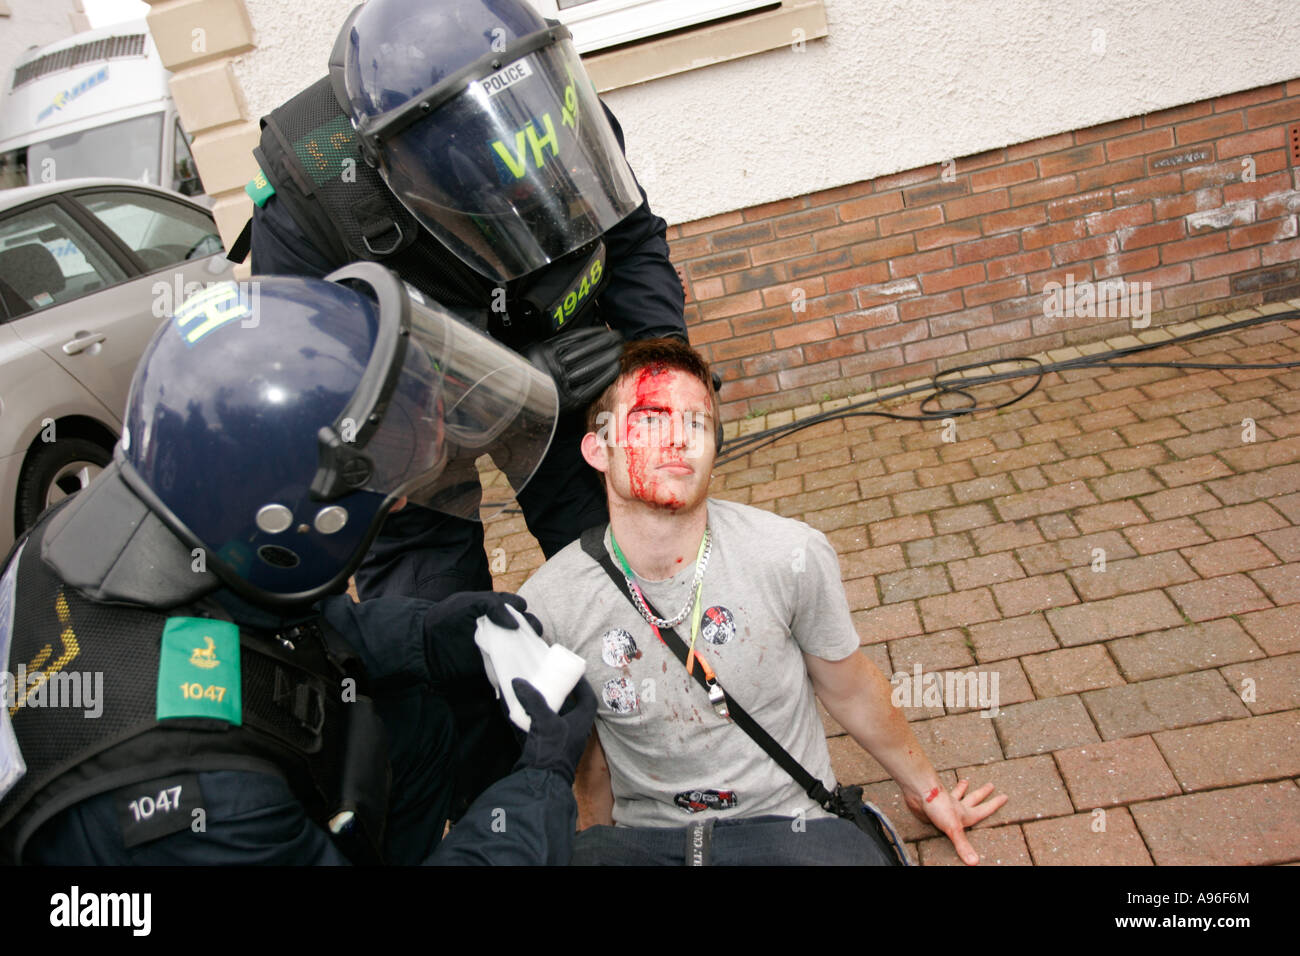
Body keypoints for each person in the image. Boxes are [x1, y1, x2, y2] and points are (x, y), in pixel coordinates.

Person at [245, 0, 688, 809]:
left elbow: (630, 237)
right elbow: (325, 386)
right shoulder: (310, 203)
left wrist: (660, 362)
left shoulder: (550, 108)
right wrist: (513, 379)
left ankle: (662, 748)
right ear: (395, 160)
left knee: (624, 568)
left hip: (556, 377)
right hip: (410, 428)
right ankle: (502, 813)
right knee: (440, 634)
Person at [0, 268, 594, 865]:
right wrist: (539, 783)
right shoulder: (206, 802)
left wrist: (429, 633)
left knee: (414, 716)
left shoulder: (113, 522)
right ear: (280, 522)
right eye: (386, 486)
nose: (405, 500)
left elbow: (278, 625)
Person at [518, 338, 1008, 865]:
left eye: (698, 424)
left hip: (789, 827)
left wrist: (927, 791)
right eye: (652, 419)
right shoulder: (551, 603)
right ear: (598, 449)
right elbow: (586, 755)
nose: (680, 439)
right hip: (652, 838)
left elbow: (851, 688)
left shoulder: (787, 554)